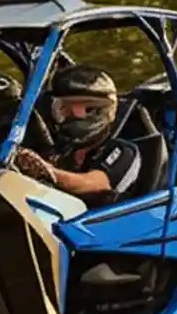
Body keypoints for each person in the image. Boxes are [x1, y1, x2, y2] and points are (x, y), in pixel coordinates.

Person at [13, 64, 142, 208]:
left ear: (100, 110)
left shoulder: (122, 150)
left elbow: (95, 184)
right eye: (64, 107)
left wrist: (48, 172)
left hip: (101, 225)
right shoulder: (59, 149)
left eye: (80, 107)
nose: (70, 114)